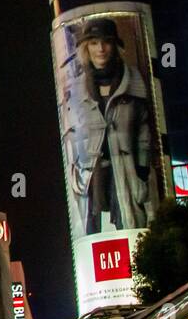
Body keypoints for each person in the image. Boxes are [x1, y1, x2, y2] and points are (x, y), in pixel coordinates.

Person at [62, 17, 157, 234]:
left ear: (115, 45)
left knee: (132, 229)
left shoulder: (133, 80)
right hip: (92, 177)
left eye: (106, 42)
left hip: (128, 175)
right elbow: (71, 136)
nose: (101, 49)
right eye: (94, 43)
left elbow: (144, 132)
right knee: (94, 233)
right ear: (86, 48)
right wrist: (78, 169)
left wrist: (142, 171)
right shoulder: (76, 89)